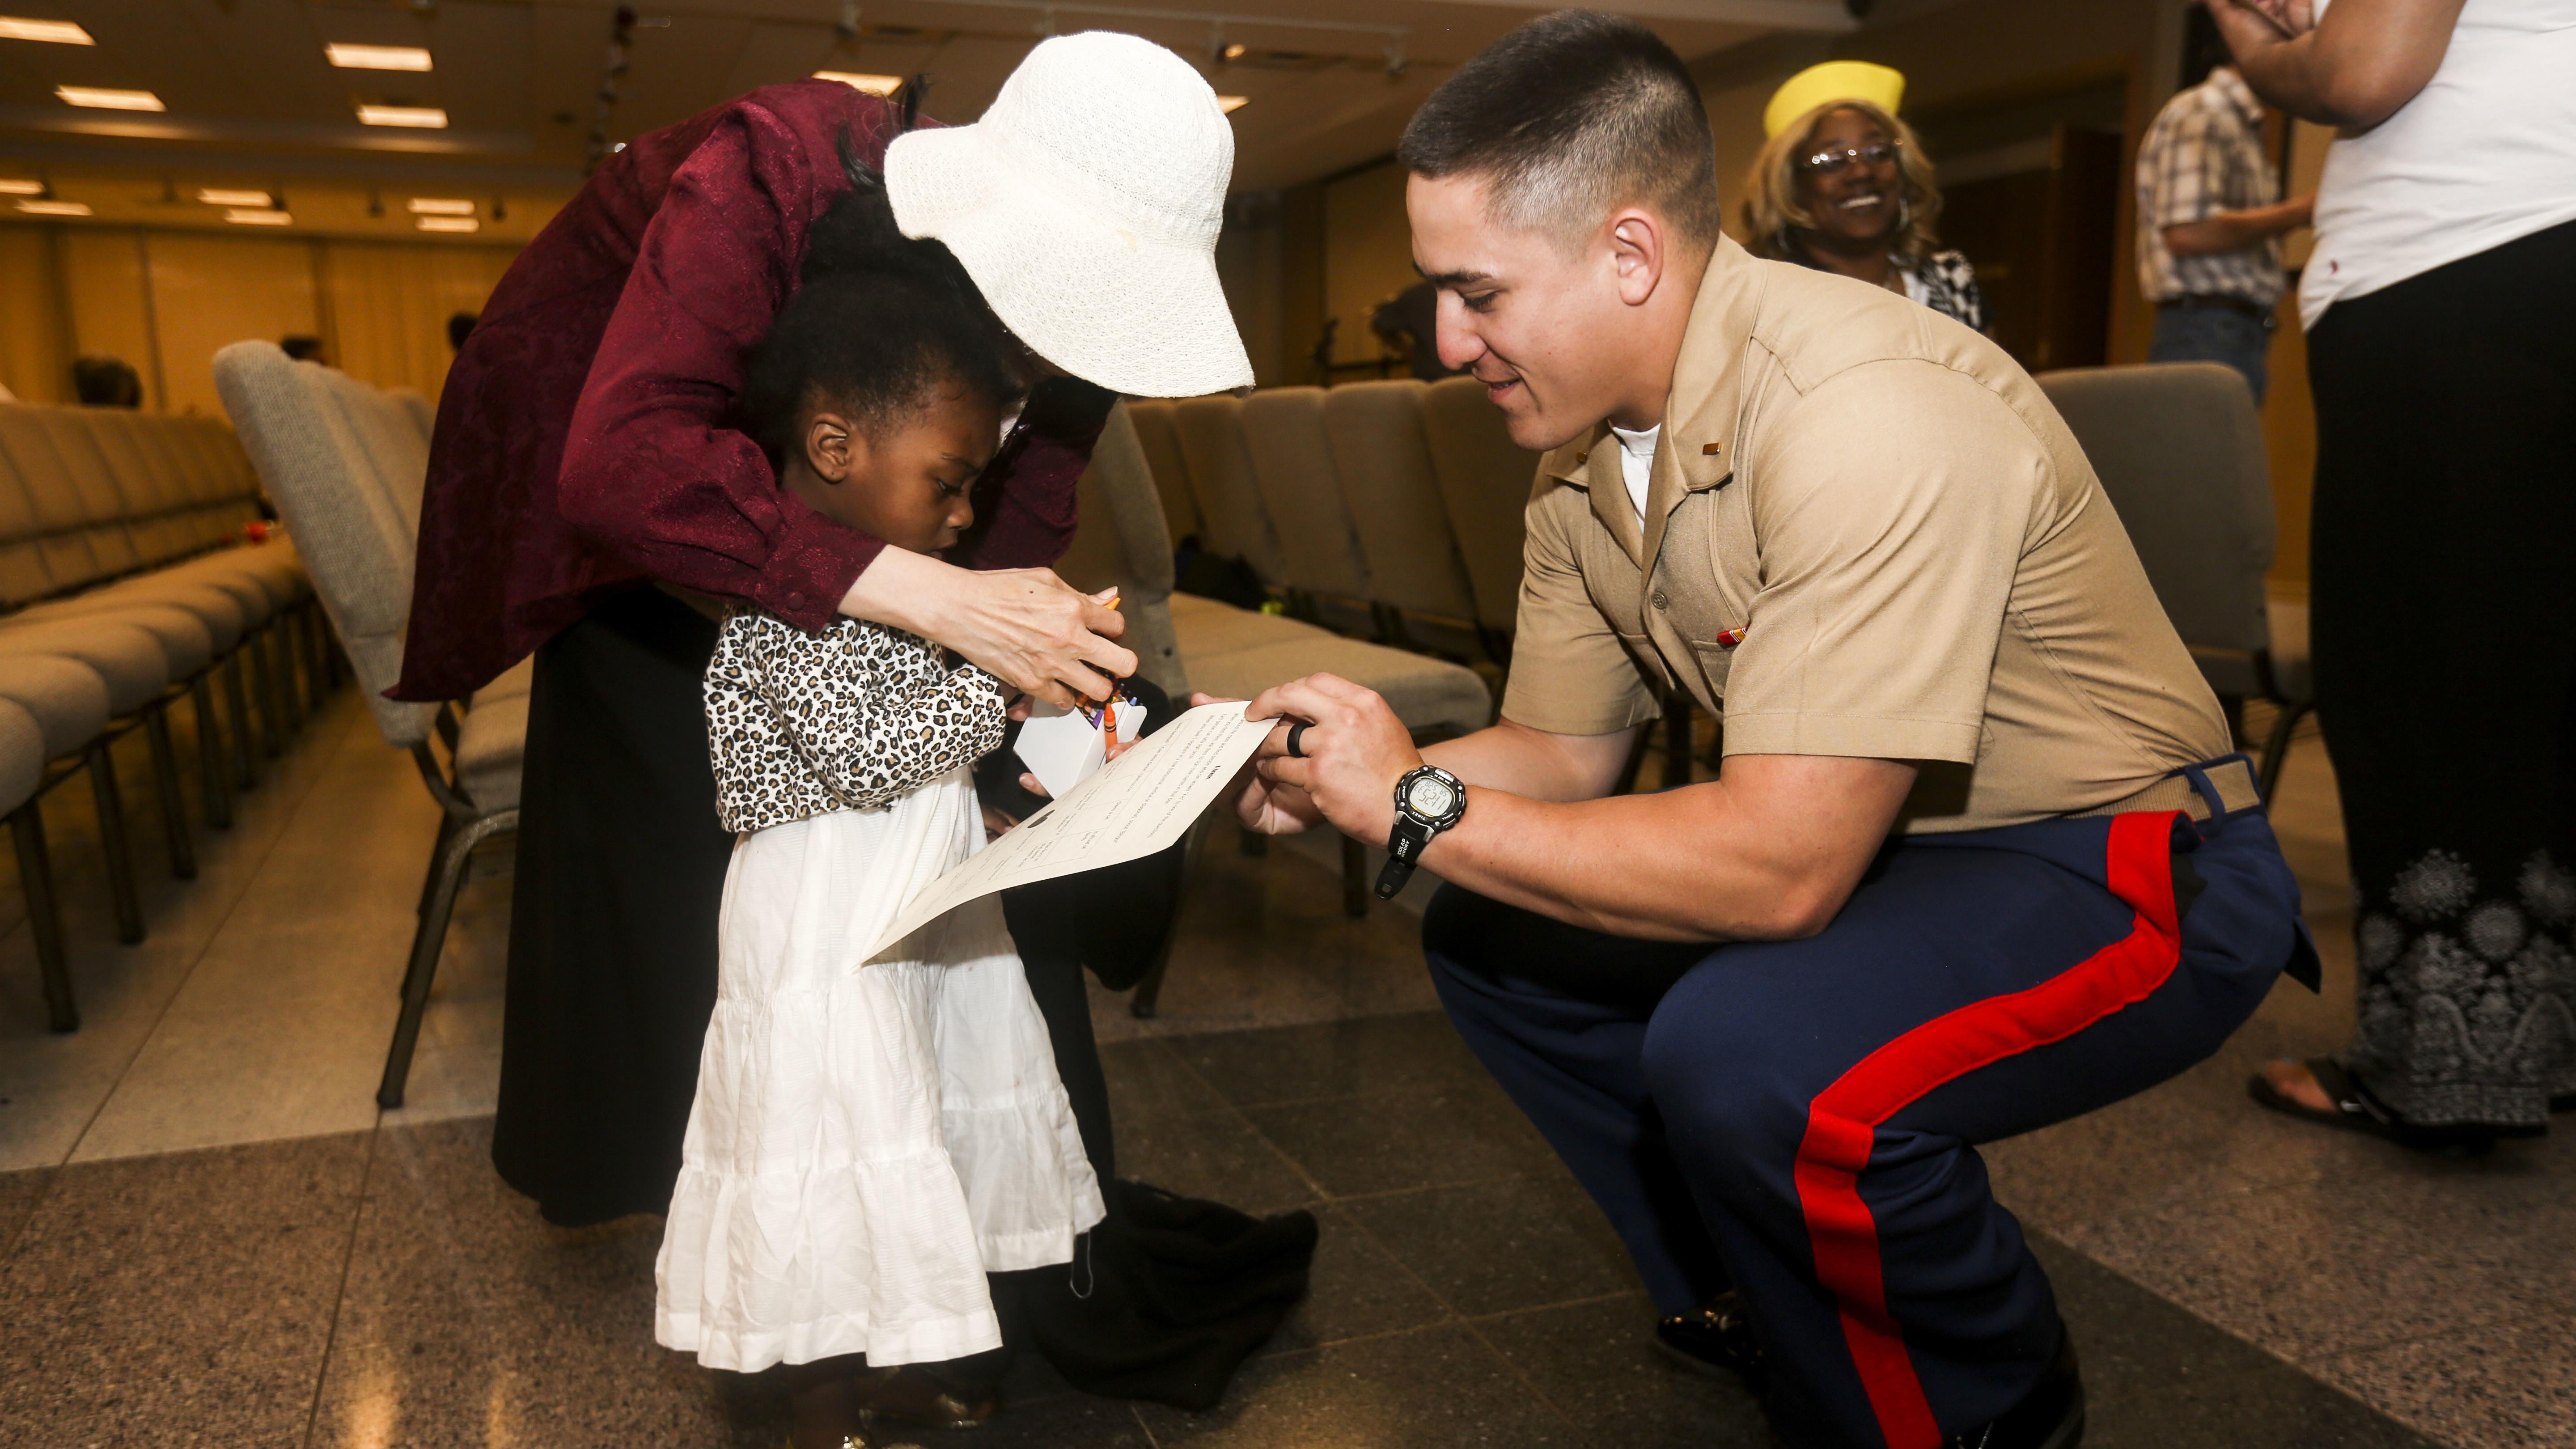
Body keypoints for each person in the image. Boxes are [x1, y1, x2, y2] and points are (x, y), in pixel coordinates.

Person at [1229, 15, 2314, 1449]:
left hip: (2129, 862)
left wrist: (1418, 810)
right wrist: (1341, 776)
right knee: (1498, 937)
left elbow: (1781, 871)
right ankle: (1759, 1284)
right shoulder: (1584, 450)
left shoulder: (1867, 414)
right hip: (1897, 840)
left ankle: (1985, 1399)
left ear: (1629, 255)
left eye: (1476, 292)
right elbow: (1558, 756)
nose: (1444, 340)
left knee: (1751, 1059)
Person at [395, 30, 1308, 1419]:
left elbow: (1018, 517)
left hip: (865, 554)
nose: (1046, 360)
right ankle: (801, 1303)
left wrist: (1026, 691)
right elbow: (626, 465)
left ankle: (987, 1250)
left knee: (974, 918)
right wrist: (946, 618)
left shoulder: (1053, 342)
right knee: (749, 999)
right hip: (658, 518)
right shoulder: (765, 177)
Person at [659, 271, 1101, 1449]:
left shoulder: (900, 600)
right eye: (949, 485)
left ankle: (909, 1362)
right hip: (825, 926)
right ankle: (818, 1401)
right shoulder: (777, 609)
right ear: (836, 445)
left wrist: (991, 816)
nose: (963, 520)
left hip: (916, 906)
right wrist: (1003, 682)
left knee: (918, 1119)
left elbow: (920, 769)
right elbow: (865, 756)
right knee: (827, 1137)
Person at [2209, 0, 2576, 1147]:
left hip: (2454, 276)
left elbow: (2365, 70)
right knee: (2533, 680)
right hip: (2526, 263)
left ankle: (2441, 1067)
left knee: (2425, 682)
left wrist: (2255, 45)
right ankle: (2537, 1043)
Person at [2133, 9, 2311, 402]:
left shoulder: (2241, 123)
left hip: (2231, 329)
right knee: (2197, 461)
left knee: (2216, 461)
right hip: (2204, 329)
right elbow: (2188, 232)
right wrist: (2299, 213)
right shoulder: (2204, 112)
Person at [1741, 61, 1987, 333]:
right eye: (1832, 160)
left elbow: (1993, 377)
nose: (1861, 172)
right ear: (1791, 186)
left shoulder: (1950, 282)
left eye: (1878, 152)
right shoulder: (1766, 305)